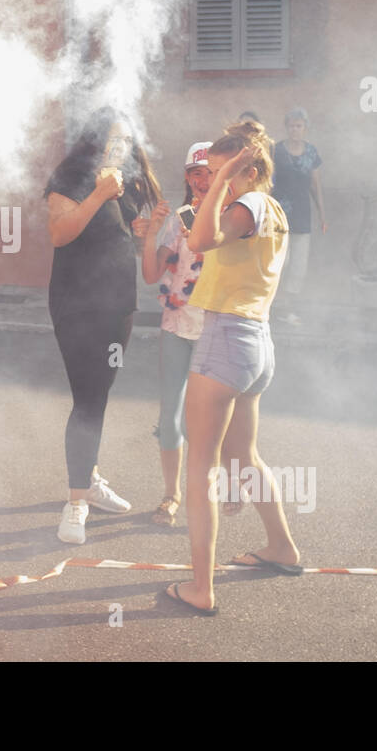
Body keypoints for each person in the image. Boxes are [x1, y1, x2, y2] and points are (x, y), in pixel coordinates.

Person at [161, 121, 300, 616]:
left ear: (250, 169)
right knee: (243, 455)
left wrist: (221, 183)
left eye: (223, 171)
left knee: (201, 468)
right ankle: (281, 547)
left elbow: (200, 243)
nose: (212, 180)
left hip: (227, 338)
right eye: (211, 172)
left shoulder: (251, 204)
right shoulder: (271, 208)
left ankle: (201, 588)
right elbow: (207, 234)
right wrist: (220, 186)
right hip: (255, 341)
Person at [44, 111, 162, 544]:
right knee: (88, 400)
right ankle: (76, 502)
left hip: (118, 305)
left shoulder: (124, 183)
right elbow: (59, 234)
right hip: (77, 305)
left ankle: (87, 477)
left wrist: (140, 233)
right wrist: (97, 196)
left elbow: (115, 241)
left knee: (100, 394)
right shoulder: (72, 178)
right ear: (94, 141)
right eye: (113, 140)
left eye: (127, 141)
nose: (121, 149)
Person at [140, 141, 212, 527]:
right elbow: (152, 275)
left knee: (207, 419)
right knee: (170, 416)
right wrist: (151, 235)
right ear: (187, 177)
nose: (201, 181)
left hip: (215, 331)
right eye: (195, 173)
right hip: (176, 328)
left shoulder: (229, 220)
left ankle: (205, 495)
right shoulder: (178, 220)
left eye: (208, 173)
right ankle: (171, 495)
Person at [270, 107, 326, 326]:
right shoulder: (276, 151)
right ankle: (271, 308)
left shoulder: (311, 153)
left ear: (305, 128)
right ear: (287, 127)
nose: (295, 129)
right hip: (278, 216)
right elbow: (267, 182)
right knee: (279, 264)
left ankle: (287, 310)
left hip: (302, 216)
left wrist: (322, 214)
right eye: (292, 125)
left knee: (298, 266)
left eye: (299, 126)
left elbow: (316, 185)